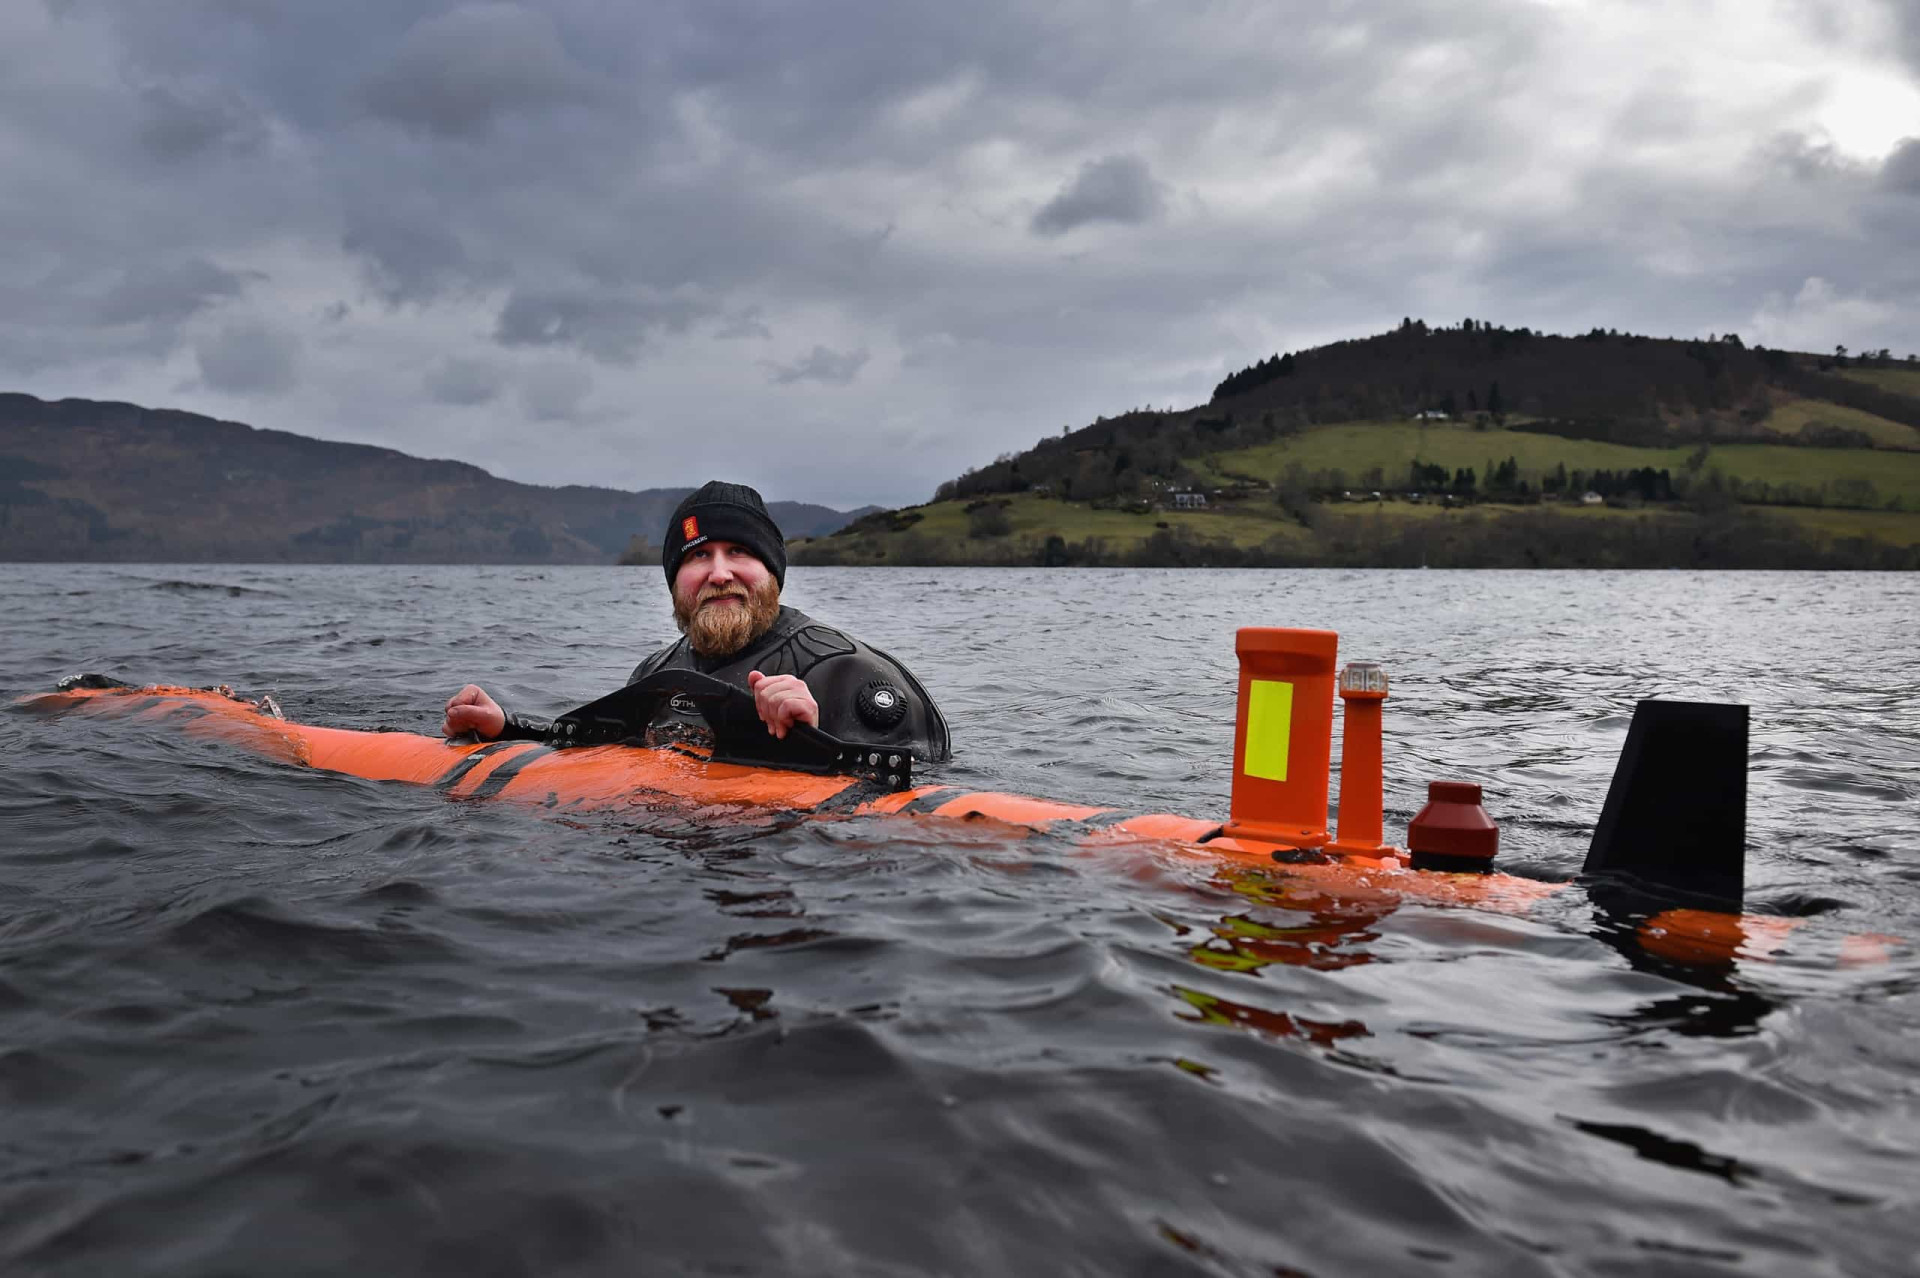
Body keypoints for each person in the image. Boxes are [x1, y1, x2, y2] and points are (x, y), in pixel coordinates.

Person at [441, 480, 950, 761]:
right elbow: (600, 751)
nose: (719, 573)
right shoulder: (655, 674)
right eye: (698, 556)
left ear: (772, 573)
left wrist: (815, 739)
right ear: (675, 580)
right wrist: (506, 728)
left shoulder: (849, 672)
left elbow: (921, 798)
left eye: (739, 552)